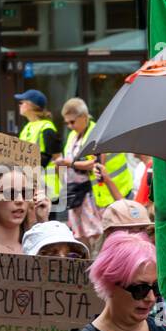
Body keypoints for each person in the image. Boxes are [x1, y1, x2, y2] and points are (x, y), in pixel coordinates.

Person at [57, 97, 129, 249]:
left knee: (101, 237)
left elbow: (94, 163)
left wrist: (69, 163)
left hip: (105, 193)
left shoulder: (97, 132)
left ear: (83, 117)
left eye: (72, 122)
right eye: (67, 123)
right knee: (82, 237)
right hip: (81, 194)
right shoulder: (73, 135)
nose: (70, 126)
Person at [14, 89, 62, 205]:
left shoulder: (47, 128)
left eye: (22, 102)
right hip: (30, 185)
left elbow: (56, 158)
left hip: (45, 187)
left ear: (31, 106)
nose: (19, 105)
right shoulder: (27, 127)